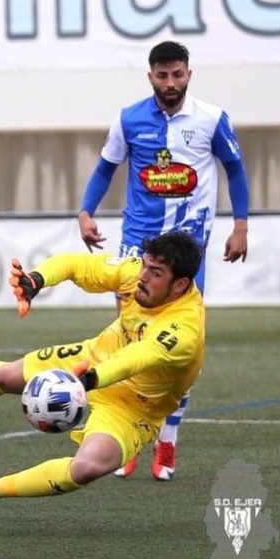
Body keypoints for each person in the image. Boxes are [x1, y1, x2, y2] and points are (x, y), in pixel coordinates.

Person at [0, 232, 205, 502]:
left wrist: (92, 379)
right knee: (5, 376)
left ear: (180, 284)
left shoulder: (184, 329)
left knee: (87, 468)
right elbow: (74, 265)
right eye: (145, 266)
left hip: (135, 406)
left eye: (155, 273)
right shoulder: (134, 272)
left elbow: (138, 358)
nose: (143, 276)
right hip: (92, 359)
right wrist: (36, 280)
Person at [76, 40, 249, 481]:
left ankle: (167, 439)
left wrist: (241, 225)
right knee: (130, 339)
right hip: (138, 247)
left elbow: (234, 169)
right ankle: (128, 435)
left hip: (187, 250)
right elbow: (105, 168)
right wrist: (86, 211)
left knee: (177, 347)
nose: (170, 82)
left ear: (189, 74)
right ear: (150, 75)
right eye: (162, 75)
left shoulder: (211, 118)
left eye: (177, 74)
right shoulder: (128, 119)